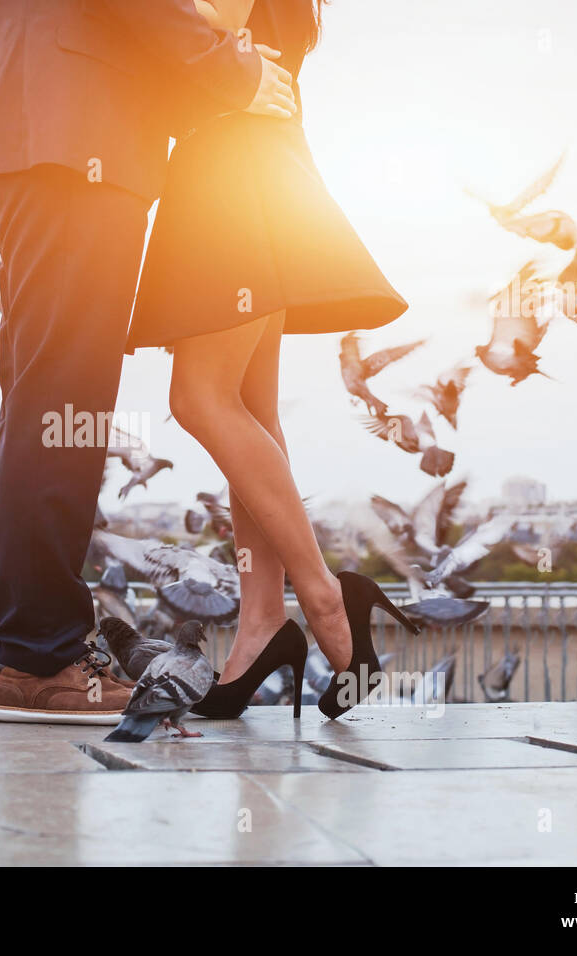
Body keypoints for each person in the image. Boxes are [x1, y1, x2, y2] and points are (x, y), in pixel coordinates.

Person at [0, 0, 297, 723]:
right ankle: (40, 661)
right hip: (76, 135)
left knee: (46, 397)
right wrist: (229, 70)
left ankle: (35, 651)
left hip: (41, 124)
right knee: (63, 402)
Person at [127, 0, 419, 720]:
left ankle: (323, 598)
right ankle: (261, 620)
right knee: (248, 411)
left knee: (199, 399)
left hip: (236, 167)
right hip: (251, 162)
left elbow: (197, 27)